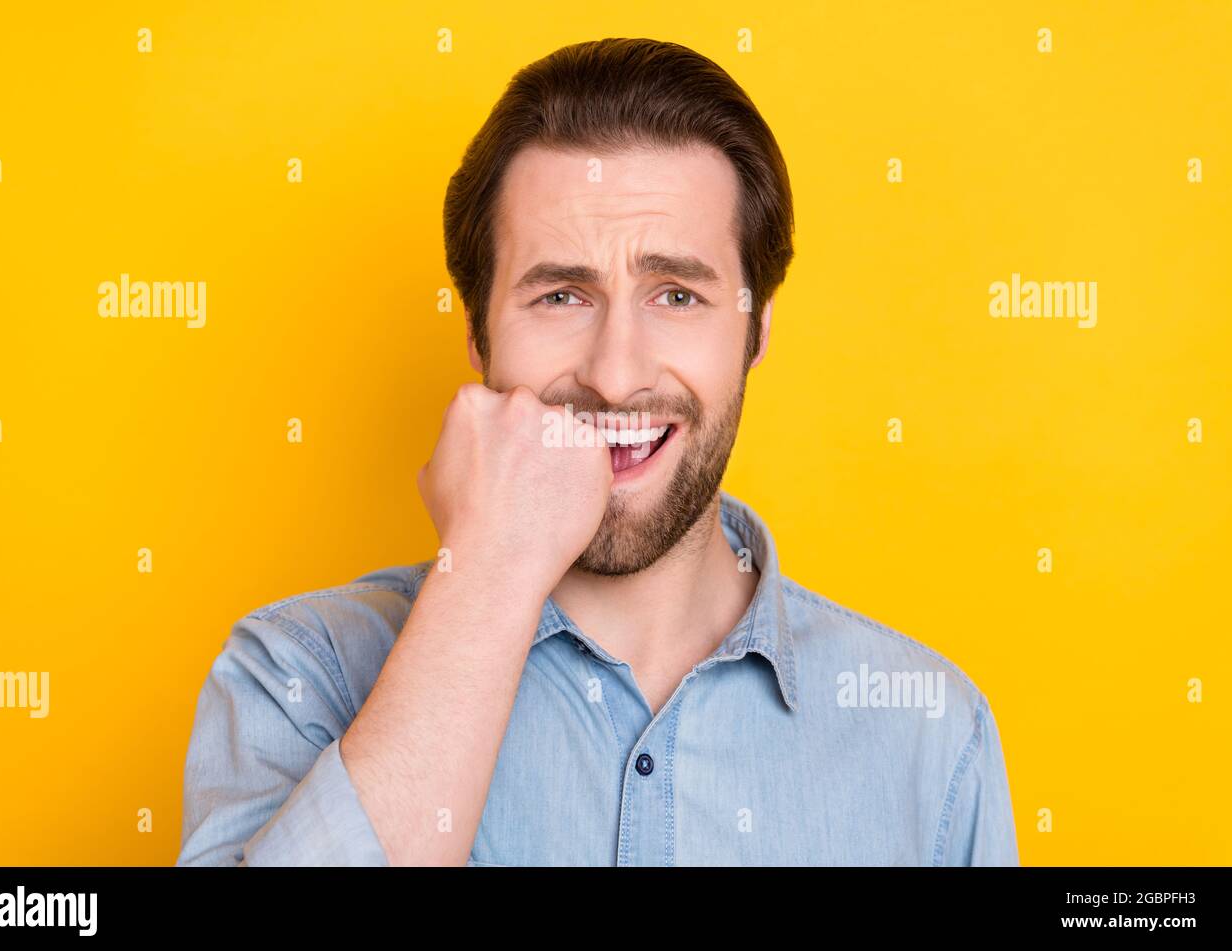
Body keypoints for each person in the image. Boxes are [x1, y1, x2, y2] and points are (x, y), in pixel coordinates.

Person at [177, 37, 1018, 866]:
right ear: (477, 332)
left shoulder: (930, 738)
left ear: (755, 329)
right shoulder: (298, 678)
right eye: (561, 294)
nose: (615, 378)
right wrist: (488, 571)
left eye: (677, 294)